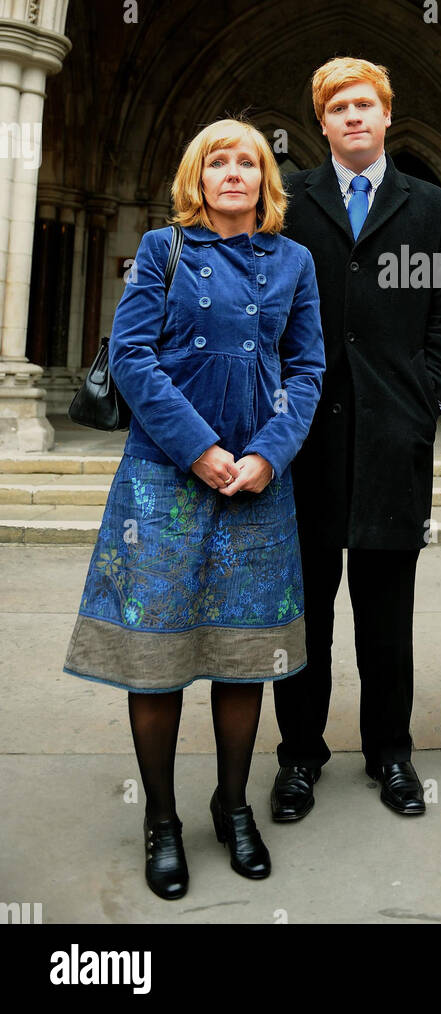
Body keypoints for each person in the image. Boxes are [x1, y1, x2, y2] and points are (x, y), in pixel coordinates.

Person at [64, 118, 325, 899]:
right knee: (158, 656)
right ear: (198, 177)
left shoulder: (295, 261)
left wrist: (265, 455)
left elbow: (308, 368)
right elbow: (133, 354)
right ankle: (163, 822)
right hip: (163, 483)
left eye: (248, 161)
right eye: (219, 161)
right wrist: (201, 448)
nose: (234, 172)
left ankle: (232, 805)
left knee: (244, 653)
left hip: (257, 484)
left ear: (265, 180)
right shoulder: (162, 249)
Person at [271, 57, 441, 819]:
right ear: (322, 123)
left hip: (394, 439)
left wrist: (427, 401)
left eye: (366, 105)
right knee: (305, 614)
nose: (354, 117)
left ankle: (391, 754)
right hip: (305, 441)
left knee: (387, 617)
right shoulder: (288, 202)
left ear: (388, 116)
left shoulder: (429, 207)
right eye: (339, 107)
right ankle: (299, 758)